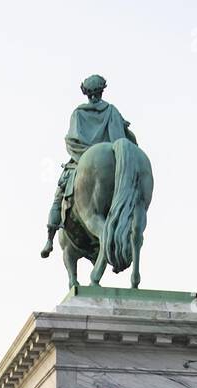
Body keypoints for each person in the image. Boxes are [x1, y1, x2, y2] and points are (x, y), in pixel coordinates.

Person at [41, 74, 138, 257]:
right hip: (115, 162)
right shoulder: (112, 111)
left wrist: (85, 156)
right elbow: (125, 140)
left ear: (86, 93)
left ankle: (49, 239)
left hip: (81, 160)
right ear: (102, 91)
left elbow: (72, 141)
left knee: (58, 196)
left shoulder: (79, 113)